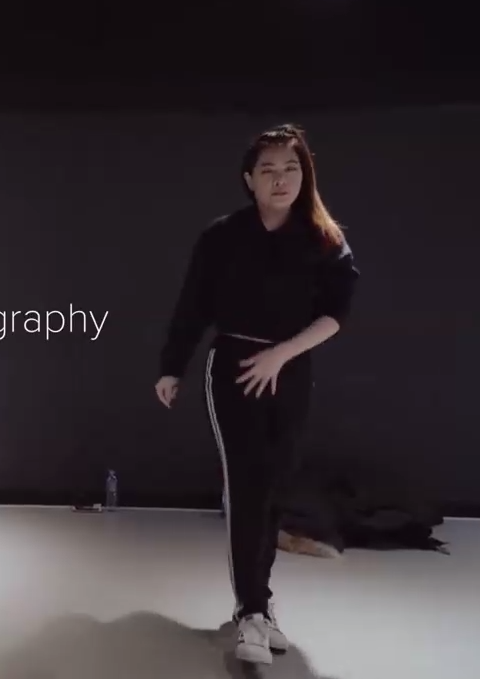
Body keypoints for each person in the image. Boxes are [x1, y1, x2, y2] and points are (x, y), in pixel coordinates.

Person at [155, 124, 358, 666]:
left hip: (289, 371)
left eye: (291, 168)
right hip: (234, 370)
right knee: (246, 488)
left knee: (274, 488)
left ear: (304, 175)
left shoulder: (323, 238)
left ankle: (260, 605)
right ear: (249, 179)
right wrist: (172, 367)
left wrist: (282, 355)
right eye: (268, 170)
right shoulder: (222, 236)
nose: (280, 179)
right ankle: (251, 610)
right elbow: (192, 305)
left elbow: (336, 313)